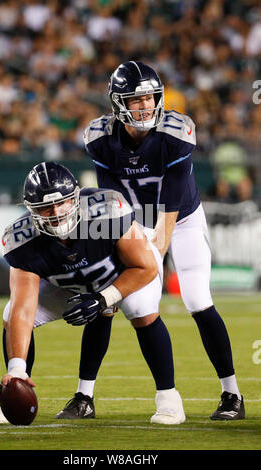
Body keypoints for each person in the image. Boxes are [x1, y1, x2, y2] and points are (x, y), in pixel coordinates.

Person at [58, 61, 245, 421]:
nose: (144, 106)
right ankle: (84, 397)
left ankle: (232, 394)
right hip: (134, 222)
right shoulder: (101, 138)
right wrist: (116, 266)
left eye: (149, 98)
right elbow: (111, 204)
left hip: (183, 219)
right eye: (135, 99)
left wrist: (147, 264)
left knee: (197, 299)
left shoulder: (175, 132)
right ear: (117, 103)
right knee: (108, 299)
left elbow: (170, 209)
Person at [0, 161, 185, 425]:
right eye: (46, 207)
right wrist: (16, 368)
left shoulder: (108, 210)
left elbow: (144, 267)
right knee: (11, 313)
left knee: (141, 311)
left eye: (62, 203)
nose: (55, 213)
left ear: (75, 199)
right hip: (71, 284)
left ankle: (169, 398)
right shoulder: (22, 240)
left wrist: (105, 298)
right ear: (30, 210)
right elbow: (23, 308)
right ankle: (17, 386)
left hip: (125, 273)